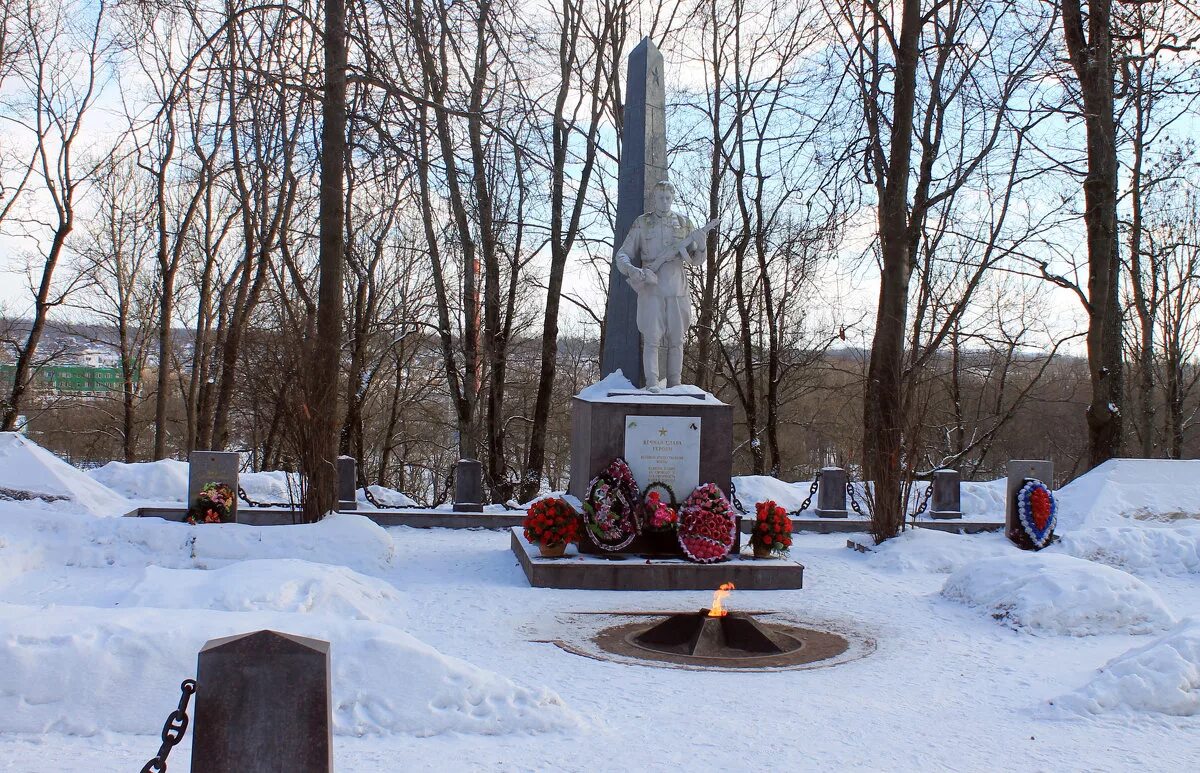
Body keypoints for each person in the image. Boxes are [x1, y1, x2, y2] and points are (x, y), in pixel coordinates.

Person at [614, 180, 713, 390]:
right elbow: (622, 254)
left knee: (677, 339)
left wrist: (702, 244)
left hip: (677, 288)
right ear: (654, 199)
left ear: (673, 198)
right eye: (661, 197)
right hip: (651, 288)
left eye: (668, 198)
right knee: (652, 339)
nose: (665, 201)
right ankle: (652, 382)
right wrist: (632, 269)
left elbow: (696, 259)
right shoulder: (642, 223)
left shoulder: (684, 223)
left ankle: (675, 384)